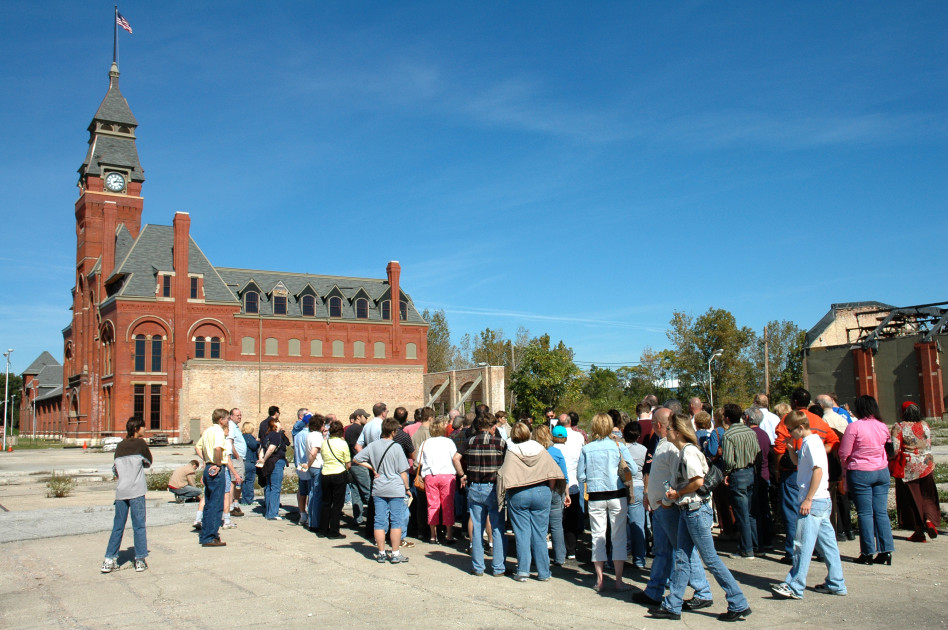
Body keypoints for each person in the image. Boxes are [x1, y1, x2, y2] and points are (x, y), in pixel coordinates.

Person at [649, 413, 751, 622]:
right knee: (682, 557)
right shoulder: (683, 451)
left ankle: (738, 601)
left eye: (669, 430)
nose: (665, 432)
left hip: (696, 510)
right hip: (689, 510)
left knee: (710, 559)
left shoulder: (688, 452)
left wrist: (677, 493)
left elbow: (697, 481)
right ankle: (673, 604)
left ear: (677, 432)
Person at [634, 408, 713, 610]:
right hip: (660, 506)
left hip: (667, 506)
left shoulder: (673, 446)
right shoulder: (662, 442)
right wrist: (649, 495)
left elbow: (680, 474)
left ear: (657, 425)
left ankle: (702, 591)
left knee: (682, 550)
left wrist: (669, 498)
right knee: (663, 550)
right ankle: (654, 591)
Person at [771, 410, 847, 600]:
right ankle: (836, 583)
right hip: (821, 501)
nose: (789, 434)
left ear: (801, 427)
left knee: (802, 545)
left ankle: (795, 586)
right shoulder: (809, 443)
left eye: (791, 430)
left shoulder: (811, 443)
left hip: (813, 501)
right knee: (828, 545)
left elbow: (818, 471)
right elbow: (801, 464)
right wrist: (790, 450)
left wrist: (808, 499)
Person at [772, 388, 840, 565]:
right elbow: (834, 440)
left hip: (793, 472)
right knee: (816, 517)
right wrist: (822, 453)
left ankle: (792, 552)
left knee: (793, 513)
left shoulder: (789, 420)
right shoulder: (819, 421)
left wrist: (778, 468)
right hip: (813, 472)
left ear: (793, 402)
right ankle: (818, 550)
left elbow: (779, 447)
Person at [496, 421, 564, 582]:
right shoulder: (540, 449)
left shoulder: (512, 451)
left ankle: (523, 571)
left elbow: (504, 474)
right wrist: (550, 489)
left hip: (519, 493)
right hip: (542, 491)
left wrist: (501, 495)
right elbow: (553, 471)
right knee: (540, 533)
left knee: (522, 533)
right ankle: (544, 572)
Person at [579, 413, 634, 592]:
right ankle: (618, 580)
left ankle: (600, 580)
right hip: (616, 493)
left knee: (597, 536)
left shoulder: (587, 449)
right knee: (618, 537)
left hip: (596, 495)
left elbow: (581, 475)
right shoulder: (617, 445)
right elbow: (632, 468)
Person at [840, 395, 895, 565]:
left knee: (865, 513)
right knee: (880, 512)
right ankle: (886, 550)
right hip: (881, 470)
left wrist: (845, 469)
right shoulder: (882, 426)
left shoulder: (854, 427)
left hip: (860, 471)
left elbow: (844, 452)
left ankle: (867, 552)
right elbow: (889, 448)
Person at [353, 417, 412, 564]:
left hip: (379, 487)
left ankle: (381, 552)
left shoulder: (373, 446)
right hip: (396, 487)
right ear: (393, 431)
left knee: (379, 521)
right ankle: (395, 552)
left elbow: (357, 459)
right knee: (395, 521)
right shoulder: (397, 447)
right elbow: (403, 472)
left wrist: (372, 468)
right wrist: (407, 488)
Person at [101, 417, 153, 573]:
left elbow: (114, 469)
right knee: (138, 526)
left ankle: (109, 559)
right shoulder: (141, 444)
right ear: (137, 428)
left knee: (118, 526)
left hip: (121, 492)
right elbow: (149, 462)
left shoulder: (120, 446)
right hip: (136, 490)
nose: (145, 429)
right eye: (143, 427)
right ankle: (140, 559)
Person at [462, 408, 509, 576]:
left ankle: (478, 566)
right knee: (497, 527)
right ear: (492, 426)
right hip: (493, 487)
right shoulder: (500, 443)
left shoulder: (469, 442)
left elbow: (456, 458)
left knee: (477, 527)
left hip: (474, 486)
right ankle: (498, 567)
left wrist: (462, 474)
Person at [892, 403, 940, 542]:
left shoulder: (899, 426)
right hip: (927, 465)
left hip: (909, 468)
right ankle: (929, 520)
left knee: (912, 499)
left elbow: (895, 449)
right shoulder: (925, 425)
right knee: (927, 496)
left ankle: (919, 532)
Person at [721, 403, 761, 559]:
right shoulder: (750, 432)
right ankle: (756, 545)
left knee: (742, 513)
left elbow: (729, 460)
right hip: (751, 471)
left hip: (738, 473)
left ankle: (746, 549)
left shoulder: (729, 435)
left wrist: (726, 473)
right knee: (751, 512)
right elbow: (757, 452)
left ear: (727, 417)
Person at [418, 417, 463, 543]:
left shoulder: (426, 443)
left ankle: (433, 535)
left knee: (432, 505)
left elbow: (419, 461)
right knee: (447, 505)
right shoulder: (448, 442)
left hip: (430, 475)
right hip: (447, 475)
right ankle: (449, 534)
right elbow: (455, 458)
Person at [196, 408, 232, 547]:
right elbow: (218, 448)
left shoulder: (207, 431)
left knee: (209, 501)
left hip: (208, 466)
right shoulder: (218, 431)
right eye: (226, 418)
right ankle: (210, 536)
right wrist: (217, 464)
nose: (227, 421)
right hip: (216, 468)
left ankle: (206, 533)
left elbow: (198, 447)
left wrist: (206, 460)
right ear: (221, 419)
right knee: (216, 503)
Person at [535, 425, 569, 566]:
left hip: (538, 490)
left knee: (539, 526)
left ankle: (539, 556)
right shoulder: (555, 452)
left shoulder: (534, 452)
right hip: (556, 491)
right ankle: (560, 557)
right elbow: (564, 475)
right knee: (556, 526)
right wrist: (567, 493)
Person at [552, 422, 583, 561]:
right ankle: (571, 549)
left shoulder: (550, 451)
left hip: (555, 488)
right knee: (571, 521)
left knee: (556, 521)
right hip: (573, 487)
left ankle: (558, 550)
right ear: (565, 438)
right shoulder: (574, 451)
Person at [319, 419, 352, 539]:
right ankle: (334, 530)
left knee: (326, 502)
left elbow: (323, 456)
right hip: (339, 473)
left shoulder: (325, 443)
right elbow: (348, 463)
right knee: (337, 504)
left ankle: (322, 529)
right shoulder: (343, 444)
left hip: (325, 473)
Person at [622, 421, 648, 568]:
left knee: (618, 524)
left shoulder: (619, 449)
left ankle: (617, 556)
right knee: (638, 524)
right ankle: (639, 559)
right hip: (638, 486)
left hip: (622, 486)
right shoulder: (643, 450)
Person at [258, 418, 289, 521]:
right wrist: (264, 459)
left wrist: (262, 459)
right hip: (276, 461)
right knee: (275, 487)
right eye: (278, 422)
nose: (280, 424)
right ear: (275, 424)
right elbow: (271, 448)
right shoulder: (276, 435)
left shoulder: (267, 436)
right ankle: (273, 513)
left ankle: (268, 511)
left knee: (269, 487)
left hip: (268, 463)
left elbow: (262, 449)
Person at [345, 409, 370, 526]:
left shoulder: (349, 429)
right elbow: (360, 446)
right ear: (359, 417)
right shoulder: (360, 429)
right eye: (365, 416)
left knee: (355, 492)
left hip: (352, 463)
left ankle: (357, 518)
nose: (367, 418)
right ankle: (373, 518)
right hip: (361, 464)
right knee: (367, 491)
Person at [305, 414, 326, 531]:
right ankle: (316, 523)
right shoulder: (317, 436)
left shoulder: (309, 435)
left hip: (312, 466)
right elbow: (314, 452)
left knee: (312, 494)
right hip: (317, 465)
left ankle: (311, 520)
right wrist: (308, 463)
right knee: (317, 495)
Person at [293, 412, 313, 527]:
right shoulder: (309, 435)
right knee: (311, 491)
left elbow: (296, 451)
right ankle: (310, 515)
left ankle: (302, 514)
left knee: (302, 490)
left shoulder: (298, 435)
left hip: (300, 464)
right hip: (308, 465)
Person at [240, 421, 259, 506]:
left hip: (242, 461)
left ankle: (244, 499)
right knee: (250, 481)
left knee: (243, 481)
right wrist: (258, 441)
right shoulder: (249, 437)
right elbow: (254, 445)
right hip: (250, 461)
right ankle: (249, 499)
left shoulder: (240, 437)